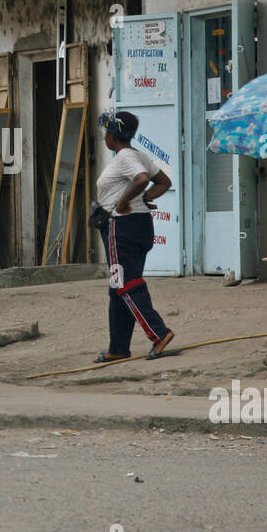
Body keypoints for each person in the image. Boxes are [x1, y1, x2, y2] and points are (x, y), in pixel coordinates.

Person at [93, 112, 175, 363]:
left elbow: (141, 179)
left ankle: (159, 333)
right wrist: (145, 198)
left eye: (106, 131)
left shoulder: (126, 157)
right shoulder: (137, 155)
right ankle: (118, 347)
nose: (104, 135)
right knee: (117, 286)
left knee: (125, 284)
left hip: (122, 228)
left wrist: (124, 200)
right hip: (139, 226)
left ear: (112, 136)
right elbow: (163, 182)